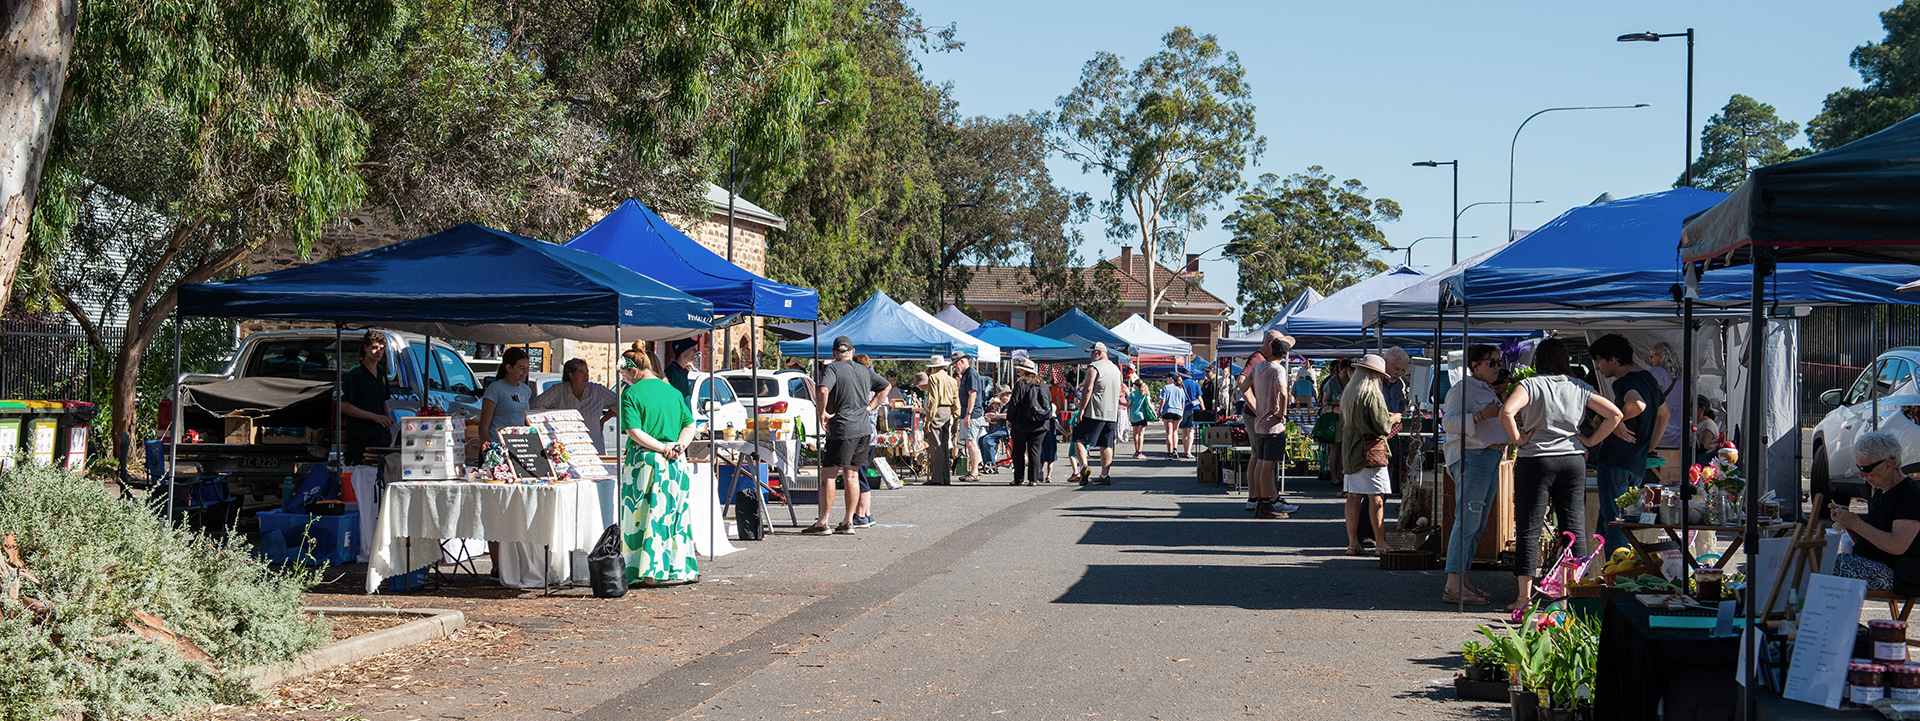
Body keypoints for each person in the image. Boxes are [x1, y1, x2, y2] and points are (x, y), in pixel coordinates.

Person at [1499, 337, 1624, 612]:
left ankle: (1523, 597)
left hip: (1536, 460)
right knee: (1574, 525)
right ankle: (1572, 594)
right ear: (1565, 360)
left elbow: (1507, 411)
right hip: (1572, 460)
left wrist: (1519, 439)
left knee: (1529, 526)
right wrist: (1591, 442)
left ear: (1538, 360)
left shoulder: (1530, 385)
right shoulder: (1579, 386)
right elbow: (1615, 415)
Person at [616, 343, 701, 585]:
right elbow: (689, 424)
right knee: (674, 516)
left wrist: (662, 447)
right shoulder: (672, 392)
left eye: (623, 374)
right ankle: (678, 568)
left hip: (646, 461)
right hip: (675, 462)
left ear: (633, 370)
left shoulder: (631, 394)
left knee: (643, 515)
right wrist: (679, 446)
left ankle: (647, 571)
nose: (624, 380)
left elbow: (634, 432)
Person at [1441, 344, 1512, 605]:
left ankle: (1463, 581)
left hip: (1488, 457)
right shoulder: (1462, 389)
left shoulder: (1482, 389)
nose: (1497, 368)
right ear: (1475, 366)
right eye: (1491, 363)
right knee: (1468, 522)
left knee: (1477, 525)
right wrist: (1481, 416)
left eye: (1498, 362)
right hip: (1474, 458)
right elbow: (1448, 423)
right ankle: (1453, 584)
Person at [1589, 334, 1669, 554]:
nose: (1597, 367)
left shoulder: (1622, 382)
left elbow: (1637, 404)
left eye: (1598, 361)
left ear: (1613, 358)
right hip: (1636, 464)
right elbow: (1665, 414)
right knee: (1611, 524)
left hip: (1615, 461)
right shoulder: (1648, 378)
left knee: (1616, 524)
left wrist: (1613, 421)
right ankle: (1609, 575)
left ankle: (1619, 580)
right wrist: (1647, 446)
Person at [807, 336, 889, 535]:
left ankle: (823, 522)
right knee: (851, 475)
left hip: (842, 429)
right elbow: (885, 386)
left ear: (834, 353)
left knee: (828, 475)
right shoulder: (864, 370)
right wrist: (869, 408)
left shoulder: (832, 369)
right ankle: (848, 522)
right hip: (862, 430)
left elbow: (824, 389)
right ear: (852, 353)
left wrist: (822, 413)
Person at [1832, 432, 1920, 590]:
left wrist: (1857, 524)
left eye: (1866, 469)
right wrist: (1848, 522)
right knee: (1817, 559)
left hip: (1898, 573)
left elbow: (1897, 545)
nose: (1861, 475)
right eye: (1859, 468)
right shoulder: (1880, 491)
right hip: (1872, 563)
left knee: (1827, 567)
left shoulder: (1911, 495)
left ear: (1888, 465)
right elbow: (1868, 541)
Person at [1341, 354, 1396, 556]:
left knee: (1353, 497)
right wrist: (1394, 418)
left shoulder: (1349, 393)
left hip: (1351, 451)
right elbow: (1382, 425)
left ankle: (1353, 543)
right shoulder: (1371, 394)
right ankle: (1380, 542)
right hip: (1370, 453)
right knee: (1376, 497)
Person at [1245, 331, 1299, 519]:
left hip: (1259, 423)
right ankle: (1266, 505)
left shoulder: (1259, 366)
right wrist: (1281, 413)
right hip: (1273, 425)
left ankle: (1261, 502)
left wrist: (1257, 404)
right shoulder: (1279, 370)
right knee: (1268, 466)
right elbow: (1283, 393)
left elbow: (1243, 386)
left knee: (1260, 463)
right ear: (1284, 355)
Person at [532, 358, 620, 454]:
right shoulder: (558, 391)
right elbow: (536, 405)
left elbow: (620, 402)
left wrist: (602, 421)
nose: (586, 376)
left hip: (593, 449)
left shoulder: (598, 391)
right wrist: (552, 423)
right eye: (581, 372)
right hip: (567, 450)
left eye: (587, 372)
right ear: (571, 375)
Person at [337, 331, 395, 464]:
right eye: (374, 348)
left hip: (382, 433)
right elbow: (344, 405)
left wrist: (388, 417)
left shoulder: (381, 372)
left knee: (382, 472)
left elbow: (383, 400)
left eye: (381, 348)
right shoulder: (354, 374)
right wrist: (373, 416)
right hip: (361, 435)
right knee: (364, 472)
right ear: (365, 348)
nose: (378, 352)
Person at [1071, 342, 1124, 485]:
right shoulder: (1115, 369)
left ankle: (1083, 466)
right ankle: (1105, 475)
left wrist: (1081, 409)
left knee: (1079, 438)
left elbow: (1088, 389)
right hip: (1112, 413)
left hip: (1095, 411)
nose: (1090, 355)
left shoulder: (1094, 367)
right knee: (1106, 444)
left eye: (1092, 352)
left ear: (1099, 352)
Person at [1007, 359, 1053, 486]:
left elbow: (1014, 403)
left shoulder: (1021, 383)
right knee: (1035, 451)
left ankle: (1019, 479)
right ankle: (1033, 479)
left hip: (1022, 423)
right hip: (1040, 423)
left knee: (1018, 451)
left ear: (1023, 371)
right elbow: (1048, 403)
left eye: (1019, 370)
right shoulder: (1043, 384)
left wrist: (1009, 419)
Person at [477, 347, 532, 443]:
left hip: (518, 445)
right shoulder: (495, 388)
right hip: (497, 444)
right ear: (508, 367)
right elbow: (483, 426)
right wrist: (487, 449)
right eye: (521, 368)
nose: (526, 372)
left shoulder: (526, 390)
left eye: (527, 367)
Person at [1380, 347, 1413, 496]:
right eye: (1396, 368)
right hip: (1377, 434)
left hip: (1392, 434)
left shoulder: (1399, 384)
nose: (1399, 373)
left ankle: (1379, 508)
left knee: (1389, 472)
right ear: (1385, 363)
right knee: (1376, 478)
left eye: (1402, 370)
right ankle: (1367, 515)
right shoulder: (1375, 382)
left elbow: (1401, 404)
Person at [922, 356, 959, 486]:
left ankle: (937, 478)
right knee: (943, 445)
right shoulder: (952, 380)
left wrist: (928, 419)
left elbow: (932, 400)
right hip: (948, 411)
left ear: (933, 367)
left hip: (937, 410)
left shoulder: (933, 378)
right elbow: (956, 400)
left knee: (936, 445)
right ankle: (945, 477)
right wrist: (956, 419)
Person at [954, 353, 988, 482]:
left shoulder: (971, 374)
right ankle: (973, 471)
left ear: (962, 361)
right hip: (967, 413)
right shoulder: (966, 374)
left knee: (971, 442)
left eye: (955, 364)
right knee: (969, 442)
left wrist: (968, 414)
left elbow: (972, 395)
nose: (954, 367)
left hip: (972, 415)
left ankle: (974, 472)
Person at [1648, 341, 1685, 449]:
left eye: (1652, 356)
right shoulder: (1680, 376)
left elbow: (1654, 397)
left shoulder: (1656, 372)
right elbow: (1690, 398)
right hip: (1679, 428)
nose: (1651, 359)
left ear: (1660, 356)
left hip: (1662, 426)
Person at [1158, 374, 1188, 460]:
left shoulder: (1166, 388)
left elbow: (1163, 400)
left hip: (1168, 410)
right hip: (1178, 411)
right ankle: (1175, 450)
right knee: (1175, 432)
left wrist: (1160, 410)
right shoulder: (1180, 388)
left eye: (1167, 378)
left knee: (1169, 433)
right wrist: (1182, 412)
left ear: (1170, 378)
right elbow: (1183, 402)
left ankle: (1169, 453)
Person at [1179, 369, 1204, 458]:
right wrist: (1203, 410)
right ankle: (1189, 451)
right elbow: (1199, 398)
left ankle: (1185, 451)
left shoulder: (1180, 384)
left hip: (1183, 409)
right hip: (1194, 408)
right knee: (1191, 431)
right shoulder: (1195, 383)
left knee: (1184, 431)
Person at [1127, 379, 1154, 460]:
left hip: (1133, 416)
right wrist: (1155, 413)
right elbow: (1149, 405)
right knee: (1141, 434)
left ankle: (1136, 451)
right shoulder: (1144, 394)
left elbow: (1128, 404)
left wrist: (1120, 403)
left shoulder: (1132, 394)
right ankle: (1140, 451)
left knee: (1135, 434)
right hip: (1142, 416)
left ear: (1136, 386)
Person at [1694, 398, 1723, 466]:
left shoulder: (1707, 425)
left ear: (1701, 409)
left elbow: (1702, 448)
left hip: (1704, 463)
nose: (1689, 408)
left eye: (1692, 405)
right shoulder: (1695, 423)